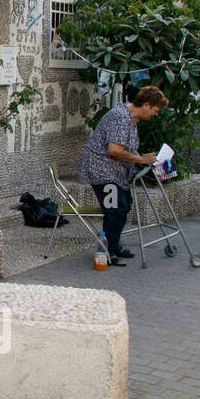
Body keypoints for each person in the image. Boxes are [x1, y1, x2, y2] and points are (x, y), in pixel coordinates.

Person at [77, 85, 168, 266]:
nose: (155, 115)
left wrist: (142, 159)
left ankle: (114, 245)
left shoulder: (131, 119)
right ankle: (107, 253)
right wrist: (141, 159)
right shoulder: (120, 117)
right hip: (102, 171)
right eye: (156, 110)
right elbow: (115, 150)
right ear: (147, 105)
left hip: (116, 172)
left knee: (124, 207)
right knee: (115, 210)